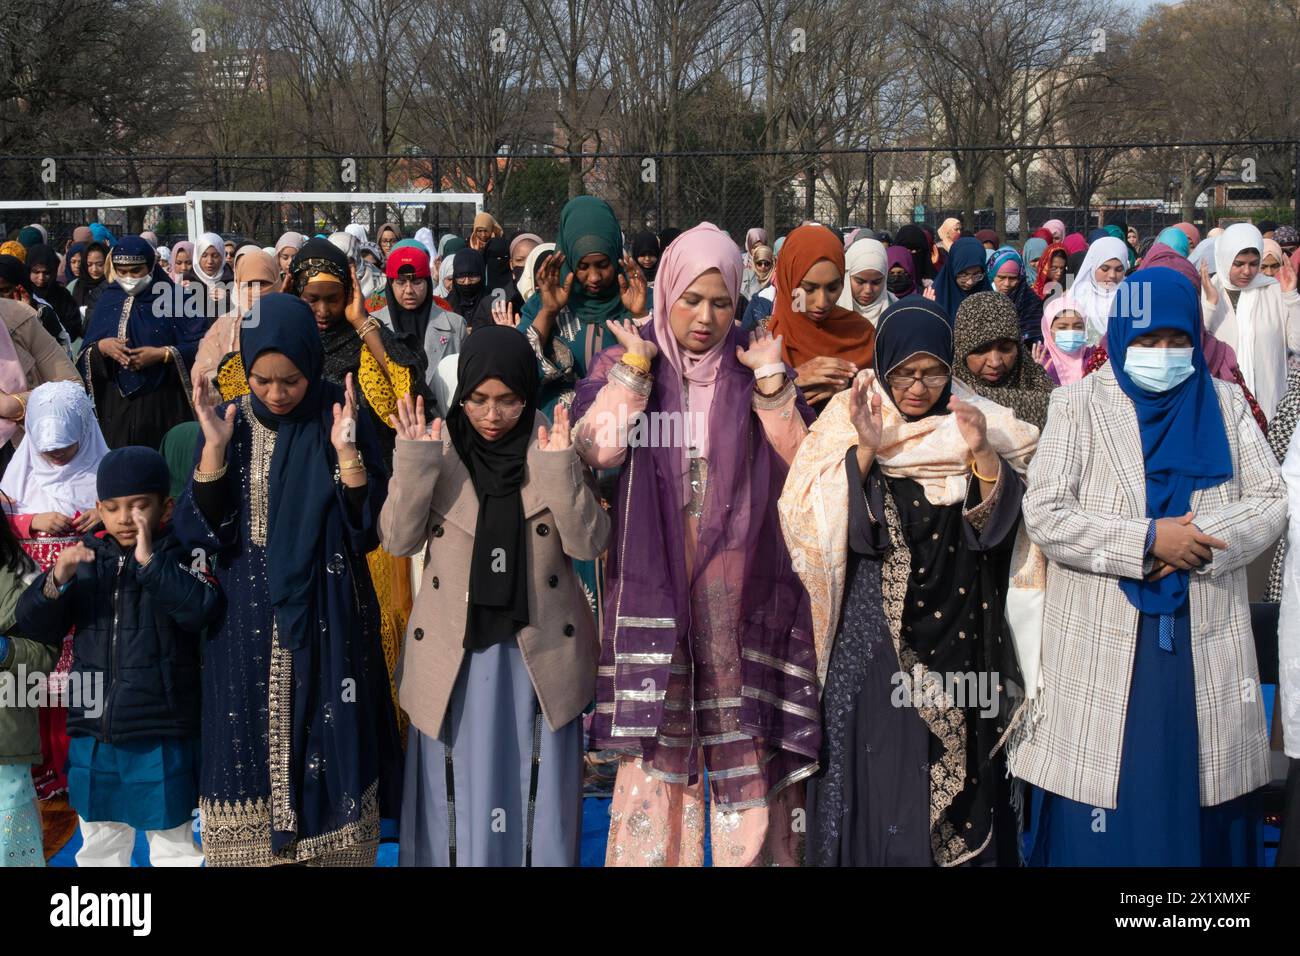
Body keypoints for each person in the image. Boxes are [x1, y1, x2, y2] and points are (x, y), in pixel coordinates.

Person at [1013, 267, 1285, 865]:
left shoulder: (1227, 402)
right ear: (1119, 336)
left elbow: (1270, 500)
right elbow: (1048, 513)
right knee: (1106, 798)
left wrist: (1197, 542)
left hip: (1201, 638)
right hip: (1105, 644)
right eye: (1146, 340)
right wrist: (1144, 541)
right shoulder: (1078, 405)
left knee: (1201, 792)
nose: (1162, 355)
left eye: (1176, 340)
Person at [572, 223, 817, 867]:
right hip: (656, 580)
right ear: (667, 292)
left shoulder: (753, 363)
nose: (705, 318)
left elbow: (807, 464)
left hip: (741, 588)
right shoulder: (634, 355)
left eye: (721, 302)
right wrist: (632, 375)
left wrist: (771, 383)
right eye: (691, 300)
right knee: (660, 753)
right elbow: (597, 447)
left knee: (746, 747)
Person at [779, 294, 1039, 866]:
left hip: (963, 635)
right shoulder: (847, 422)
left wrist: (983, 458)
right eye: (904, 373)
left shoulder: (980, 422)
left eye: (933, 372)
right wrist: (867, 451)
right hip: (874, 640)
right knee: (878, 771)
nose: (918, 388)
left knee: (956, 774)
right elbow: (817, 526)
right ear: (884, 366)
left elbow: (998, 538)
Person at [173, 294, 401, 865]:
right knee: (245, 737)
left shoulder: (340, 412)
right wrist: (214, 455)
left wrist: (346, 452)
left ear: (311, 363)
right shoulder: (229, 419)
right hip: (244, 624)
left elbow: (366, 529)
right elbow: (201, 533)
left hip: (330, 617)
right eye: (262, 380)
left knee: (334, 734)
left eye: (291, 380)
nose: (276, 394)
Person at [379, 328, 607, 866]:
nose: (493, 414)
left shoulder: (552, 447)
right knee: (456, 785)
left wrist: (560, 471)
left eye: (509, 400)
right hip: (455, 655)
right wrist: (412, 460)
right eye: (478, 399)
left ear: (529, 395)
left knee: (534, 786)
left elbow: (589, 542)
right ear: (462, 396)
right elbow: (398, 538)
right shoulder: (440, 451)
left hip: (539, 655)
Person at [16, 446, 216, 867]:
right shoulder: (87, 558)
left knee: (173, 846)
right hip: (93, 728)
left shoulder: (182, 554)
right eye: (113, 507)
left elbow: (201, 610)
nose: (125, 517)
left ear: (166, 507)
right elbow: (36, 627)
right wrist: (57, 578)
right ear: (98, 510)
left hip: (159, 726)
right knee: (100, 846)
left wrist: (150, 563)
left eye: (139, 506)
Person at [0, 381, 108, 802]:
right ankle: (42, 768)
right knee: (35, 685)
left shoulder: (105, 470)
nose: (56, 456)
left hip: (86, 602)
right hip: (31, 602)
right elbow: (2, 525)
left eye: (66, 447)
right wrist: (30, 522)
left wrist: (103, 512)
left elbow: (137, 511)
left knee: (78, 686)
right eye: (48, 449)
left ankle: (73, 768)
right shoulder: (18, 477)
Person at [518, 196, 647, 417]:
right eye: (583, 266)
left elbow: (666, 368)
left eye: (603, 265)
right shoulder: (543, 302)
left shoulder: (640, 298)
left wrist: (640, 315)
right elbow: (517, 366)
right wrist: (548, 313)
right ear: (568, 259)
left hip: (627, 428)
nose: (594, 277)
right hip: (556, 432)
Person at [78, 237, 203, 450]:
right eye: (121, 271)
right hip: (116, 407)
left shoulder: (177, 299)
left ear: (151, 266)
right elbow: (84, 354)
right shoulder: (107, 299)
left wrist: (163, 354)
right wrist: (102, 348)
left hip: (163, 403)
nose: (128, 277)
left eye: (136, 270)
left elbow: (202, 347)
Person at [766, 223, 874, 411]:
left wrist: (850, 390)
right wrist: (790, 380)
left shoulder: (862, 334)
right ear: (787, 280)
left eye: (833, 288)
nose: (822, 302)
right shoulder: (764, 343)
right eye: (808, 289)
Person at [1200, 221, 1300, 421]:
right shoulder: (1210, 292)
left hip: (1270, 408)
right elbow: (1198, 348)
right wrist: (1209, 306)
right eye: (1239, 264)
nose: (1247, 271)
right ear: (1225, 259)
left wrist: (1291, 297)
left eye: (1254, 263)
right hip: (1222, 409)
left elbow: (1297, 345)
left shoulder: (1273, 291)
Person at [0, 510, 51, 866]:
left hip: (4, 746)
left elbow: (46, 653)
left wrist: (6, 651)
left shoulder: (21, 574)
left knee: (13, 856)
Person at [369, 244, 463, 414]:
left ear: (427, 282)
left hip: (444, 424)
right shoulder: (373, 325)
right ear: (390, 285)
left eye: (417, 282)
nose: (409, 290)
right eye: (400, 282)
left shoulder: (455, 324)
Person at [953, 291, 1055, 429]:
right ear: (962, 351)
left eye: (1005, 349)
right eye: (981, 351)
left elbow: (1060, 406)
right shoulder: (945, 392)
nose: (995, 362)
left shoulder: (1035, 379)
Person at [193, 249, 278, 389]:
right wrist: (239, 384)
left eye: (263, 283)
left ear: (276, 282)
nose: (256, 291)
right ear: (238, 285)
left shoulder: (290, 320)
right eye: (249, 284)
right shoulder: (224, 324)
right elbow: (202, 372)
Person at [23, 244, 82, 342]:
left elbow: (73, 326)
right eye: (36, 272)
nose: (41, 277)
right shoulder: (23, 293)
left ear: (54, 271)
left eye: (46, 273)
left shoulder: (62, 295)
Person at [1034, 295, 1095, 386]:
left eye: (1078, 327)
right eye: (1062, 327)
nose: (1071, 332)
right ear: (1047, 329)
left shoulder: (1094, 355)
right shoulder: (1039, 361)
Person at [986, 247, 1043, 344]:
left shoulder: (1030, 301)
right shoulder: (983, 298)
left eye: (1012, 278)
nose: (1007, 284)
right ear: (992, 275)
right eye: (1001, 277)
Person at [931, 235, 990, 324]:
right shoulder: (934, 296)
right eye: (963, 274)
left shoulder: (988, 295)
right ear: (952, 269)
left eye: (977, 274)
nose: (970, 282)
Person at [837, 237, 894, 328]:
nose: (868, 290)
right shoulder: (830, 311)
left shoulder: (897, 311)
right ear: (847, 277)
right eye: (860, 281)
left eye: (876, 282)